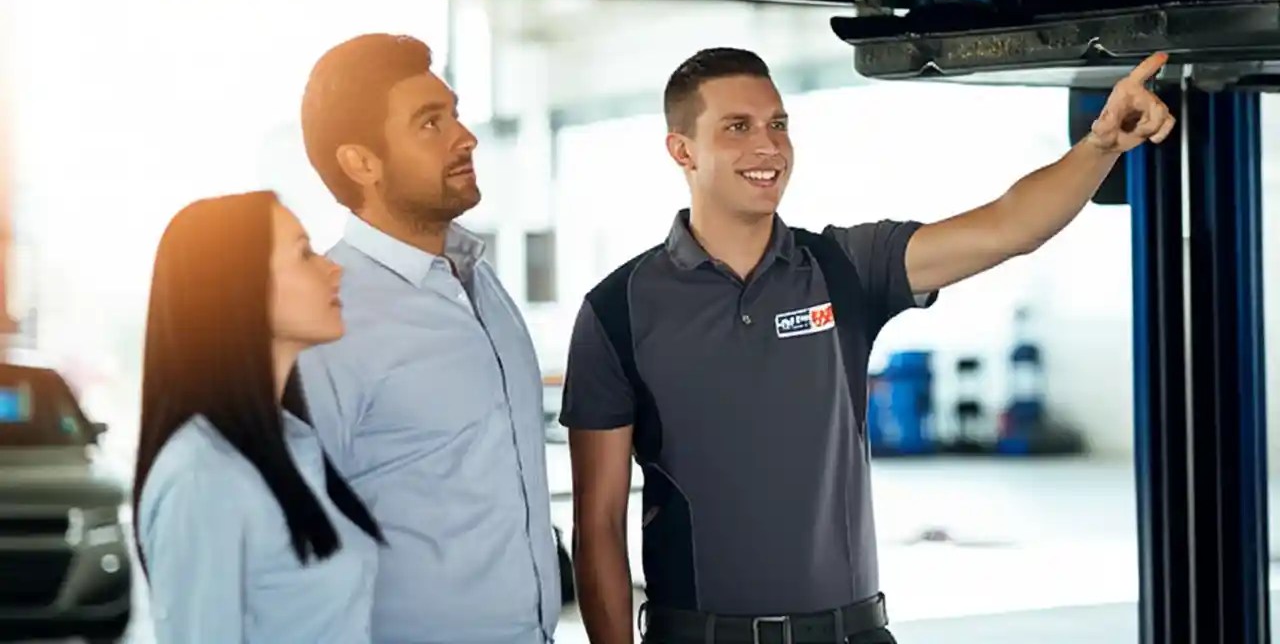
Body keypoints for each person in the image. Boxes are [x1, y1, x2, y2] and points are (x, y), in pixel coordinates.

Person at [562, 48, 1174, 644]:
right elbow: (598, 525)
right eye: (737, 127)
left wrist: (1099, 148)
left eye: (778, 124)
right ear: (682, 150)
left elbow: (1007, 227)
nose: (768, 146)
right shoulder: (618, 309)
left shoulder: (844, 267)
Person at [295, 33, 560, 644]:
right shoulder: (330, 317)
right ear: (362, 162)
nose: (464, 137)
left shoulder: (482, 285)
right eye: (429, 123)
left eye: (455, 114)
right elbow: (294, 540)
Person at [134, 191, 386, 644]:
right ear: (236, 287)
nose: (334, 267)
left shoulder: (296, 442)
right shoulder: (201, 476)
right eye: (304, 254)